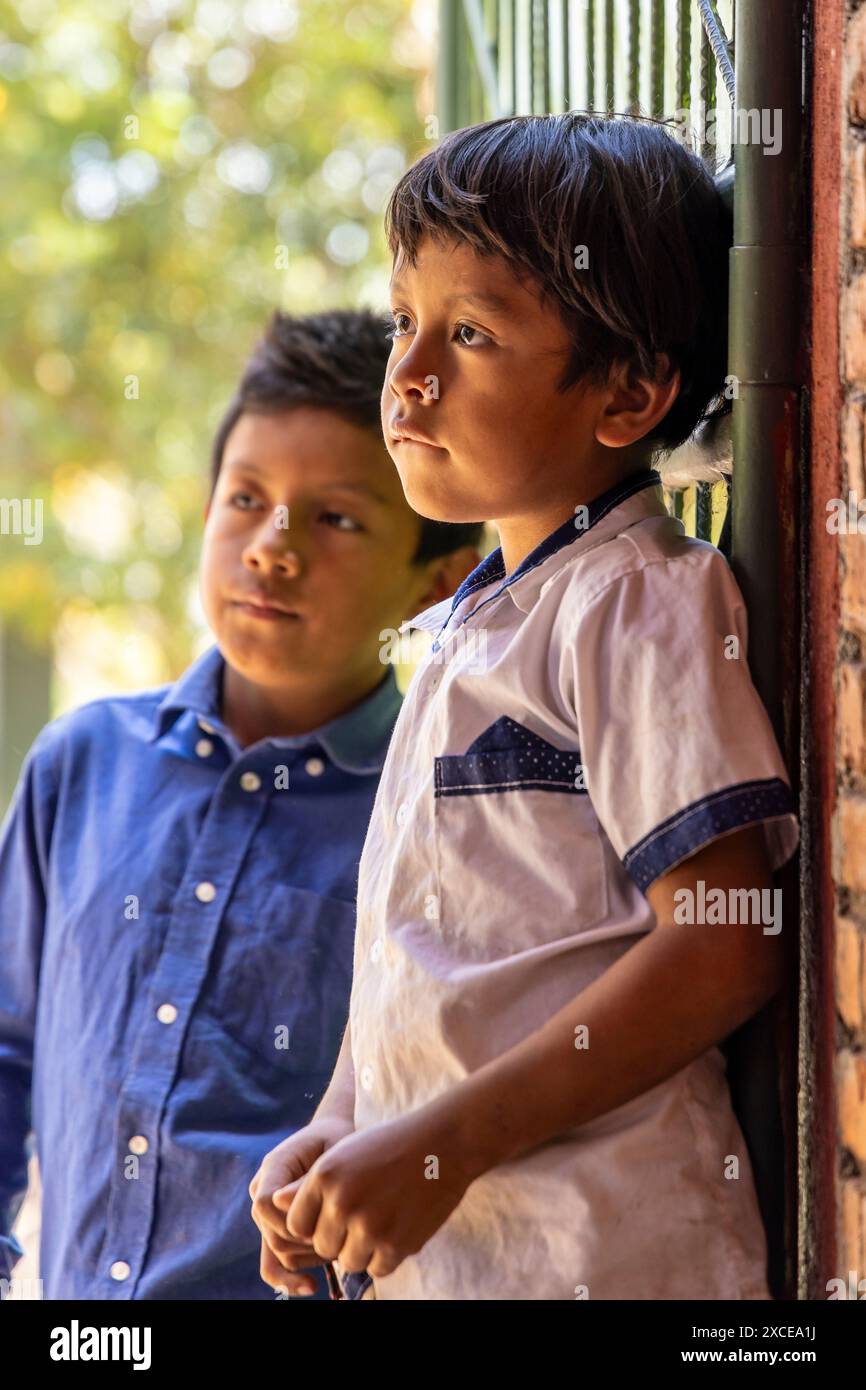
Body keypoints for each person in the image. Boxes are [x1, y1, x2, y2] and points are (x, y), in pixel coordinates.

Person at [251, 114, 800, 1301]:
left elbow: (723, 941)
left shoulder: (634, 600)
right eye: (405, 322)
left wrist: (439, 1143)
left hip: (602, 1260)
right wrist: (344, 1120)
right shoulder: (463, 627)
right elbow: (428, 951)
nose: (407, 374)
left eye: (469, 333)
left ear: (628, 394)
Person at [0, 307, 482, 1300]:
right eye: (245, 498)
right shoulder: (80, 766)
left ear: (436, 583)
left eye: (337, 518)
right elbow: (8, 1047)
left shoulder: (433, 816)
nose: (272, 546)